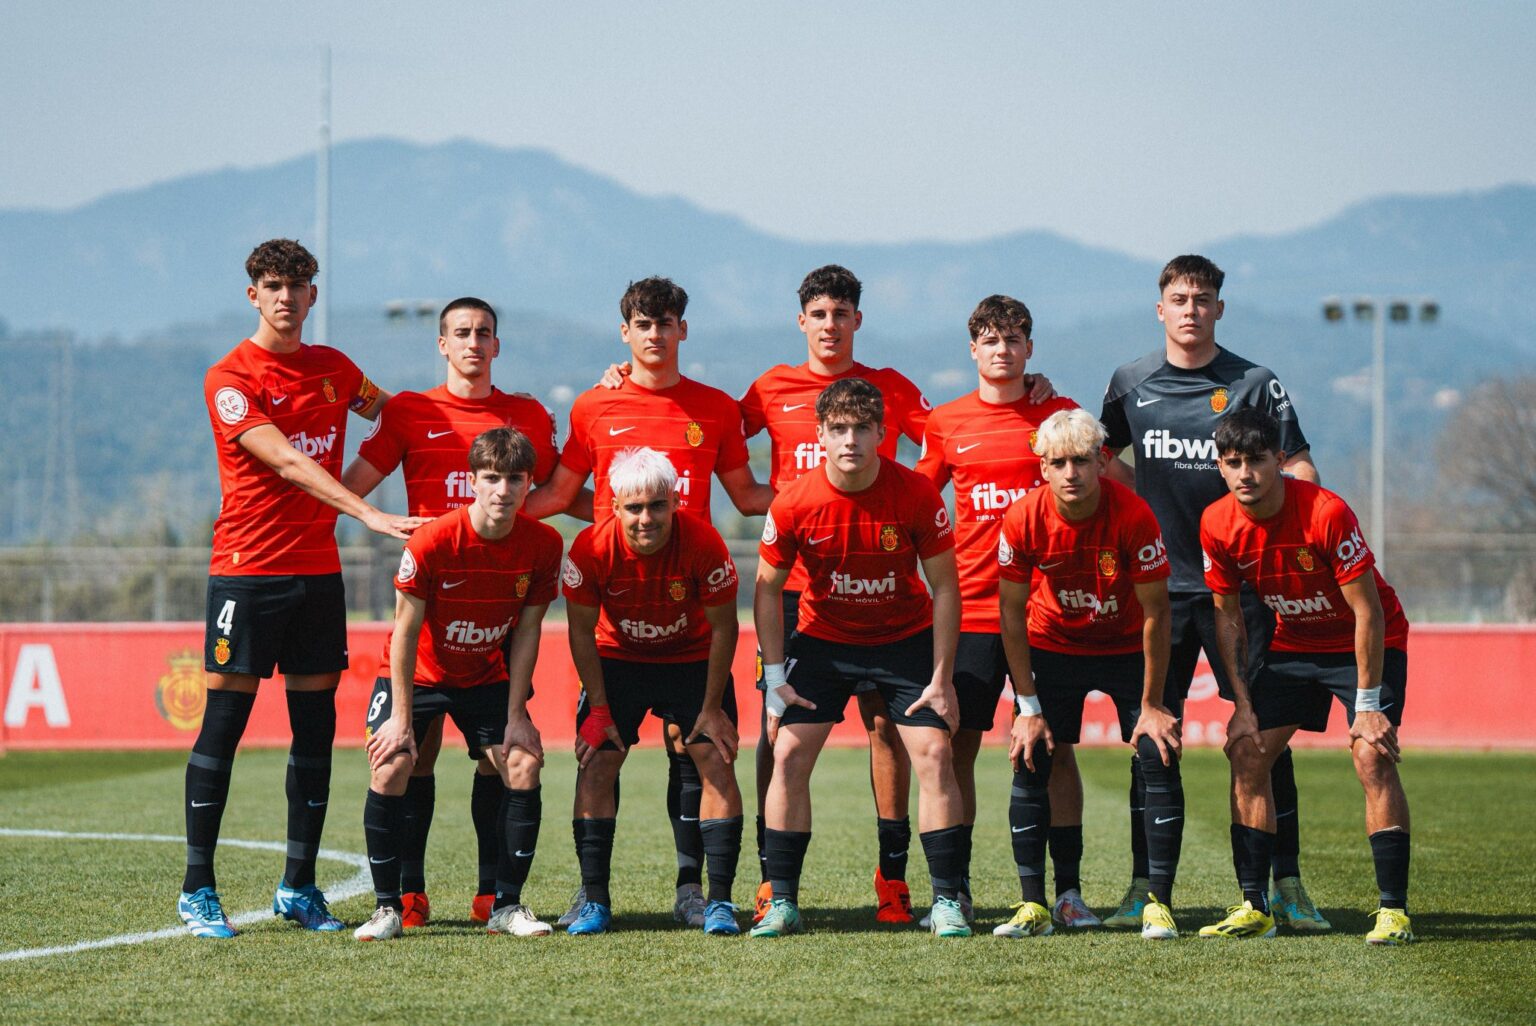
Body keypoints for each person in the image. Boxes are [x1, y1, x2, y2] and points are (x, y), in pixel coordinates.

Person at [180, 238, 425, 939]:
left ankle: (299, 885)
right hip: (245, 575)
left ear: (314, 295)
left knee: (314, 736)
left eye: (298, 285)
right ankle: (198, 889)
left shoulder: (336, 370)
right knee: (222, 730)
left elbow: (396, 413)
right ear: (252, 294)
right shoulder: (229, 378)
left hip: (316, 577)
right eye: (272, 284)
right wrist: (367, 511)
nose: (286, 296)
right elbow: (287, 460)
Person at [529, 276, 769, 929]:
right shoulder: (593, 406)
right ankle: (594, 896)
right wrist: (463, 524)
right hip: (620, 628)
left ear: (681, 330)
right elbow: (556, 495)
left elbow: (748, 496)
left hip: (691, 617)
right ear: (625, 332)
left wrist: (826, 504)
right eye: (643, 323)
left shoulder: (716, 407)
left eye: (667, 322)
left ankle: (700, 892)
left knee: (702, 751)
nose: (656, 334)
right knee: (599, 752)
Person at [1098, 254, 1328, 932]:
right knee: (1152, 739)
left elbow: (1297, 464)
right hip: (1158, 592)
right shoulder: (1129, 382)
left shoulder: (1254, 383)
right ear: (1160, 308)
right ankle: (1145, 889)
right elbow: (1101, 460)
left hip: (1243, 592)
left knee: (1262, 737)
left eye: (1203, 297)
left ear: (1219, 307)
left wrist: (1303, 540)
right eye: (1179, 297)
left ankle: (1283, 886)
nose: (1191, 308)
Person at [342, 296, 564, 927]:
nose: (473, 342)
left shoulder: (527, 416)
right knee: (411, 756)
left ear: (498, 344)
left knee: (506, 757)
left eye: (484, 333)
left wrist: (513, 539)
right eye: (461, 333)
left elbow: (560, 488)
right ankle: (404, 896)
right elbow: (352, 485)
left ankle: (495, 897)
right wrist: (372, 518)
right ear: (442, 343)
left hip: (494, 615)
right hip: (432, 618)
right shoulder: (411, 410)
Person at [752, 377, 969, 939]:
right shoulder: (795, 501)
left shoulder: (917, 494)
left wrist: (941, 677)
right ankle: (783, 901)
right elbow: (767, 589)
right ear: (820, 434)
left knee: (935, 755)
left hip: (904, 640)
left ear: (882, 434)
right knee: (788, 755)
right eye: (839, 429)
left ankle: (946, 902)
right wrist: (775, 678)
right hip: (825, 641)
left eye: (862, 429)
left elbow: (946, 587)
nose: (850, 440)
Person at [1198, 408, 1414, 945]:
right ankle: (1255, 905)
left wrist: (1367, 706)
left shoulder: (1325, 512)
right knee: (1247, 750)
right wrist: (1243, 704)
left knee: (1370, 753)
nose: (1245, 473)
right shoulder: (1216, 523)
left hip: (1362, 645)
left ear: (1279, 461)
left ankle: (1394, 912)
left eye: (1255, 460)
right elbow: (1226, 617)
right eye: (1232, 462)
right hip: (1293, 645)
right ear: (1220, 468)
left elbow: (1369, 611)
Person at [915, 294, 1090, 928]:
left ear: (1029, 348)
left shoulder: (1058, 416)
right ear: (973, 350)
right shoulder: (948, 422)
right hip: (971, 615)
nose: (1002, 349)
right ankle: (954, 890)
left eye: (1014, 338)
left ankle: (1065, 892)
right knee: (957, 748)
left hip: (1049, 615)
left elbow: (1098, 485)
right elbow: (915, 500)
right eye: (990, 339)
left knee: (1055, 749)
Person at [996, 409, 1183, 940]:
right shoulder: (1023, 519)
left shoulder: (1133, 515)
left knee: (1157, 752)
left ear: (1102, 462)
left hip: (1127, 646)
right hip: (1054, 646)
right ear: (1043, 469)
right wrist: (1028, 707)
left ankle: (1157, 903)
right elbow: (1010, 615)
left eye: (1082, 460)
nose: (1071, 472)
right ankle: (1038, 904)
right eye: (1059, 463)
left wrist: (1151, 706)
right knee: (1031, 754)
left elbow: (1157, 613)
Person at [561, 447, 745, 936]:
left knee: (714, 758)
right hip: (619, 660)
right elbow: (580, 632)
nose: (646, 518)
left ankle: (719, 902)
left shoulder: (705, 543)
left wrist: (710, 708)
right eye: (635, 508)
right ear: (615, 506)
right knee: (598, 760)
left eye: (657, 506)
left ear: (675, 502)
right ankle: (594, 901)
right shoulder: (589, 549)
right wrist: (598, 709)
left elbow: (726, 628)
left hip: (692, 659)